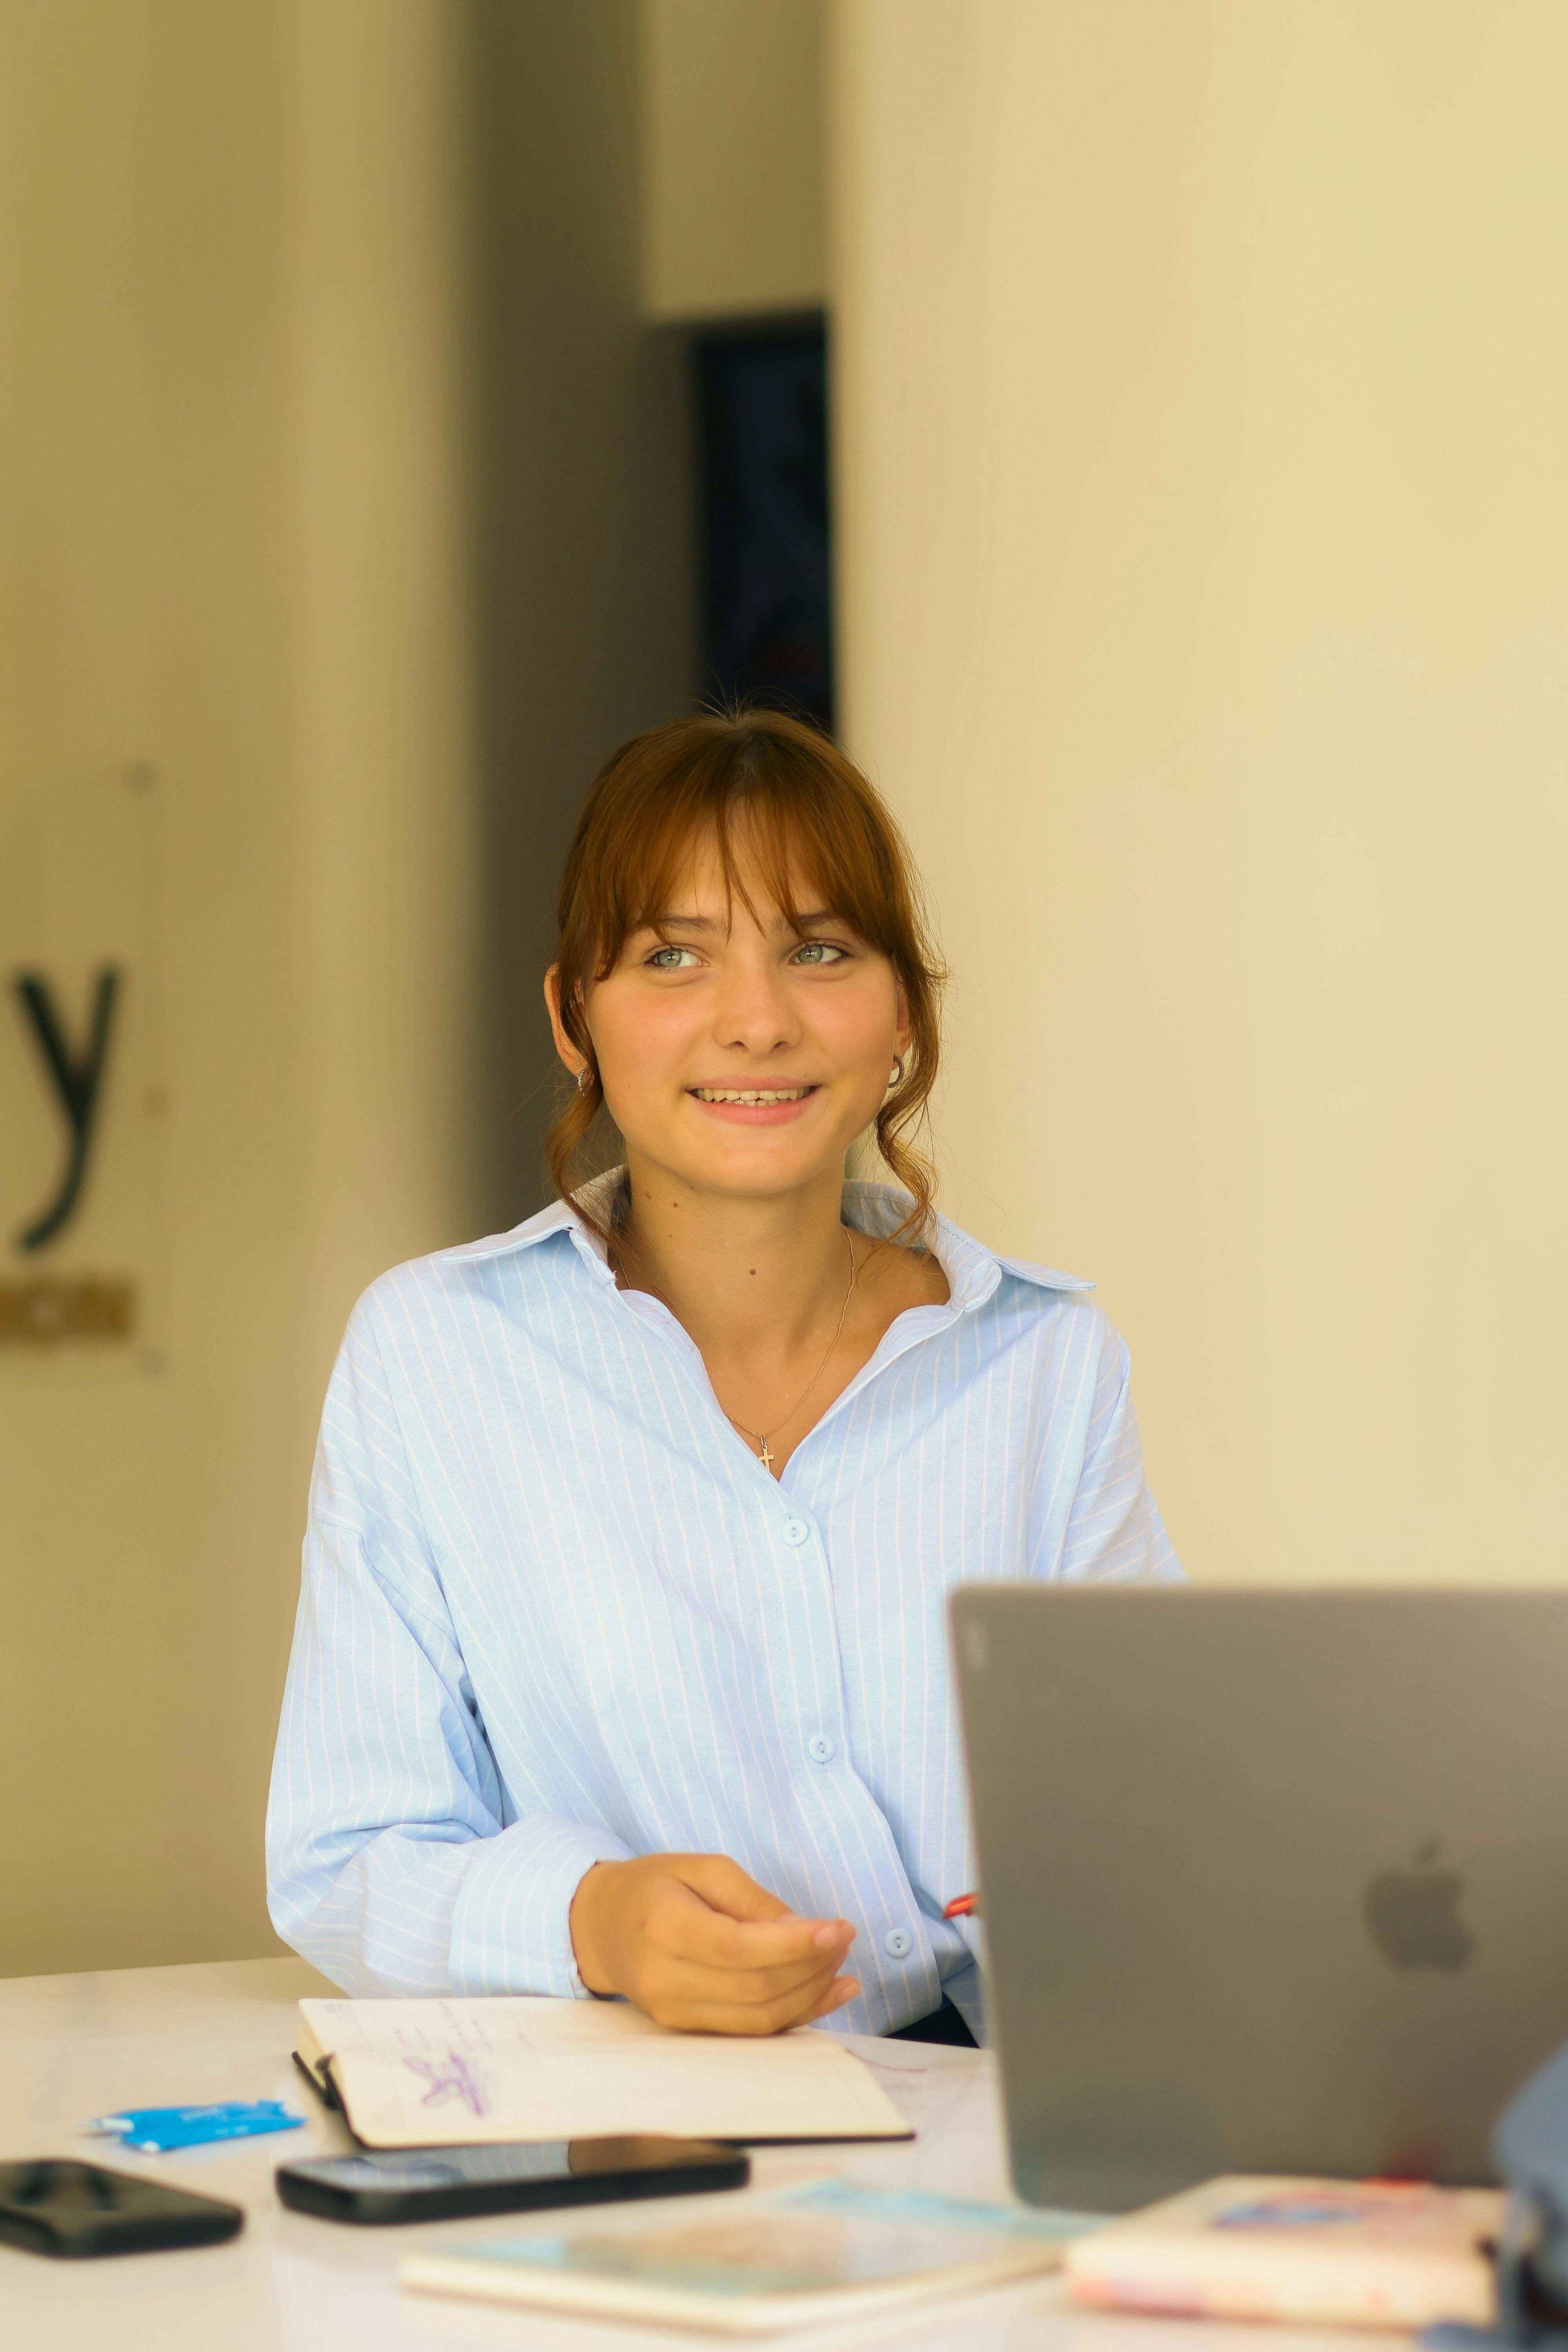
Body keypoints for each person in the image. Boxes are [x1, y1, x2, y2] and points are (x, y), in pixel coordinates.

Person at [265, 709, 1180, 2045]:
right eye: (672, 956)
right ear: (575, 1018)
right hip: (625, 2138)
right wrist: (596, 1921)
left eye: (819, 950)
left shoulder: (1045, 1361)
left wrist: (1113, 1894)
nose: (755, 1021)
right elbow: (345, 1860)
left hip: (993, 2119)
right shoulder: (435, 1355)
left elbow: (1162, 1818)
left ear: (905, 1016)